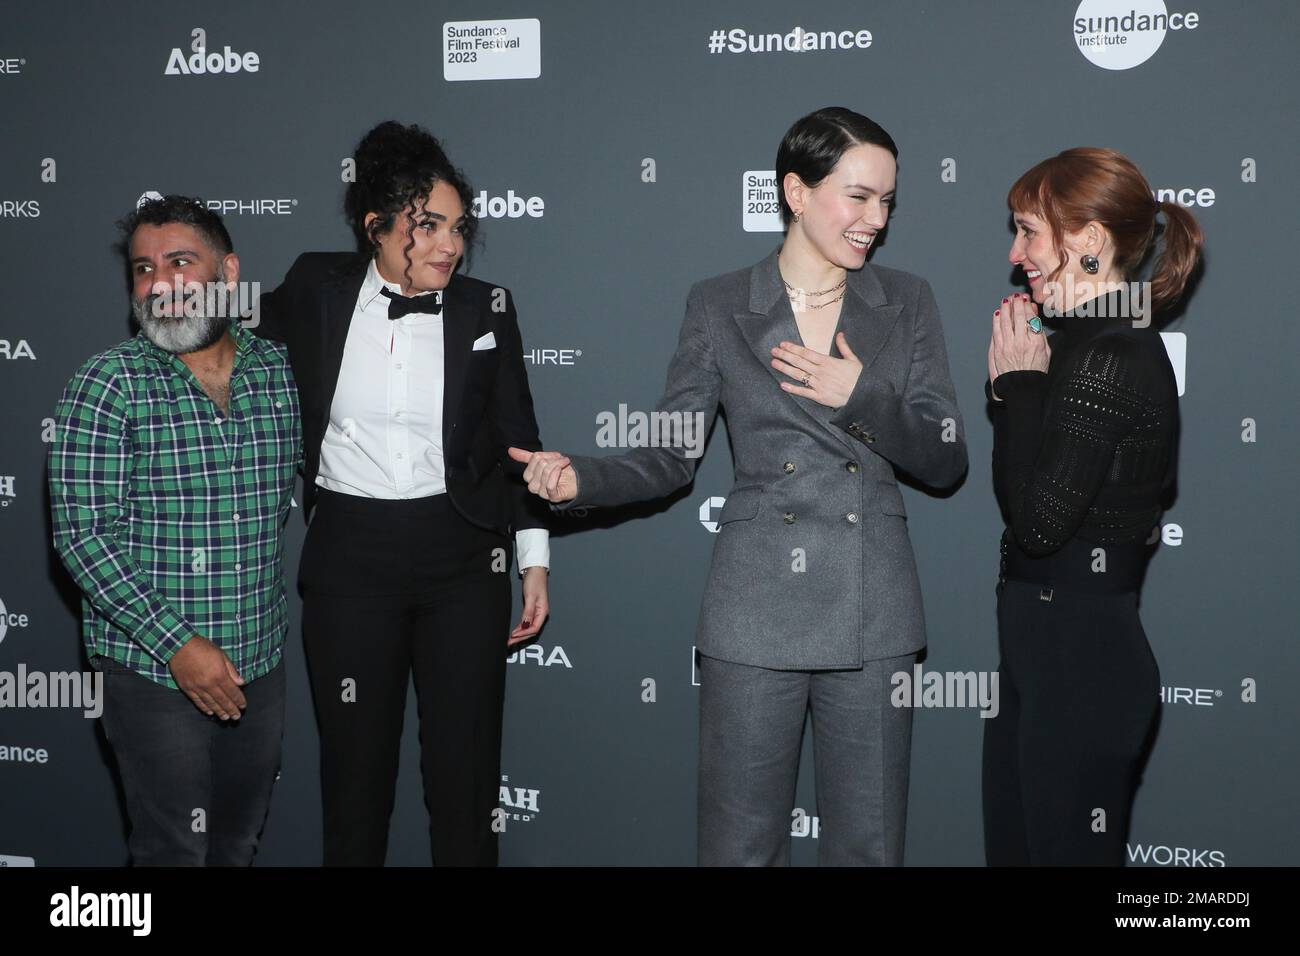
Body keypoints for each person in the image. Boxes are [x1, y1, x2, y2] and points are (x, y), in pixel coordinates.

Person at [511, 107, 967, 865]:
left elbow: (946, 458)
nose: (875, 220)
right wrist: (578, 478)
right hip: (755, 611)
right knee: (738, 848)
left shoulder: (908, 301)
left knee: (869, 849)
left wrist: (859, 395)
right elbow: (670, 453)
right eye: (858, 197)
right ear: (795, 189)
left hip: (875, 610)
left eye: (887, 201)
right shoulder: (718, 302)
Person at [255, 121, 551, 866]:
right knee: (355, 782)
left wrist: (535, 560)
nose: (448, 244)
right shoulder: (315, 289)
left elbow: (521, 437)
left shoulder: (489, 309)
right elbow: (221, 332)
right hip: (350, 560)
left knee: (467, 780)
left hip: (463, 559)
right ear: (376, 226)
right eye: (426, 226)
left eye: (457, 227)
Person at [49, 196, 301, 865]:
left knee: (235, 846)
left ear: (228, 271)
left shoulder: (280, 374)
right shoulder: (107, 384)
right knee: (173, 853)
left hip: (260, 661)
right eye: (143, 269)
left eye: (180, 262)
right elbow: (83, 535)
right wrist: (179, 646)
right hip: (150, 671)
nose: (159, 284)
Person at [982, 147, 1203, 865]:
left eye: (1028, 232)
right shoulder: (1079, 350)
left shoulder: (1111, 355)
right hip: (1042, 659)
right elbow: (1026, 509)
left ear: (1087, 241)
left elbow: (1040, 527)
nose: (1017, 256)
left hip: (1080, 667)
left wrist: (1018, 388)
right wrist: (1023, 387)